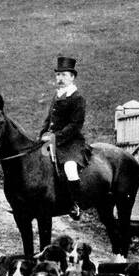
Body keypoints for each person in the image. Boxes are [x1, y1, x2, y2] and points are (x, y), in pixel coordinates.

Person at [40, 56, 88, 221]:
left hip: (71, 142)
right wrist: (42, 135)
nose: (59, 78)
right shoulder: (57, 95)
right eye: (58, 75)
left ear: (72, 77)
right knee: (38, 162)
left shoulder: (77, 97)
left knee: (69, 168)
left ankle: (75, 205)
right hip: (51, 140)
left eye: (63, 75)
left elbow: (75, 125)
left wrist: (55, 137)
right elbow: (49, 119)